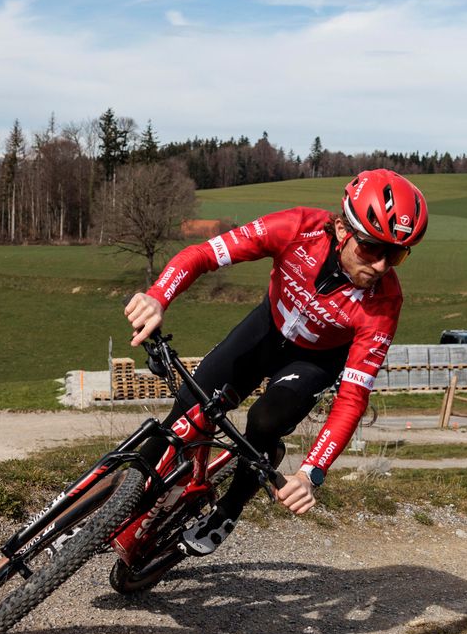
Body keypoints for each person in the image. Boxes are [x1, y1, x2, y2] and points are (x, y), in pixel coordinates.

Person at [124, 169, 428, 555]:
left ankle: (228, 511)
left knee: (263, 423)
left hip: (316, 360)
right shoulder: (296, 227)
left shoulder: (383, 303)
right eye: (371, 248)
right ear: (340, 228)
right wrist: (157, 297)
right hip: (267, 329)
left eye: (397, 254)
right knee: (188, 407)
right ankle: (121, 499)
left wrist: (310, 474)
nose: (382, 266)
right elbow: (203, 255)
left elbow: (352, 397)